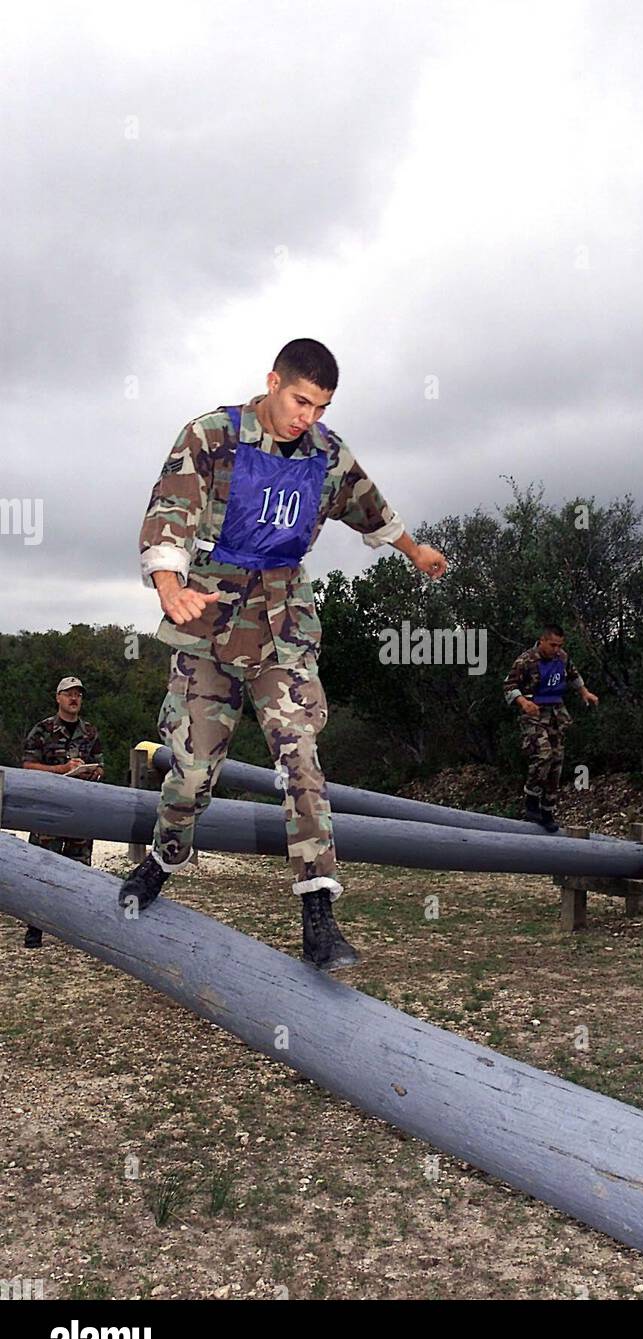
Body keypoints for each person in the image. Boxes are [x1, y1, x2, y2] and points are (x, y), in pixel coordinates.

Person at [119, 338, 447, 970]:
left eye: (320, 407)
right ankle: (163, 858)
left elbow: (368, 504)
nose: (308, 418)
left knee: (301, 758)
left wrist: (416, 551)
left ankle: (319, 912)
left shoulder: (326, 454)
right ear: (273, 382)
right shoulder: (212, 436)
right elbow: (171, 511)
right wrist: (169, 584)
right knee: (190, 774)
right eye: (301, 401)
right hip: (210, 622)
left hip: (283, 626)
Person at [21, 676, 104, 947]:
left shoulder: (90, 732)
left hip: (81, 811)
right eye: (69, 694)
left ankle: (77, 929)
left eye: (78, 694)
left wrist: (92, 771)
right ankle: (35, 928)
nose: (74, 698)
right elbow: (28, 766)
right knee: (42, 868)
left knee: (80, 870)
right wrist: (60, 770)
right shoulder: (43, 730)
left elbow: (101, 766)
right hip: (48, 812)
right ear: (58, 698)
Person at [504, 625, 598, 833]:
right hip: (534, 712)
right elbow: (509, 686)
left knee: (557, 760)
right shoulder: (525, 660)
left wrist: (585, 693)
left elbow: (573, 676)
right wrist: (522, 702)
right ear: (542, 641)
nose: (556, 649)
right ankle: (531, 800)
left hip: (556, 713)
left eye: (559, 645)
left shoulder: (562, 658)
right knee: (543, 754)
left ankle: (547, 811)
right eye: (552, 645)